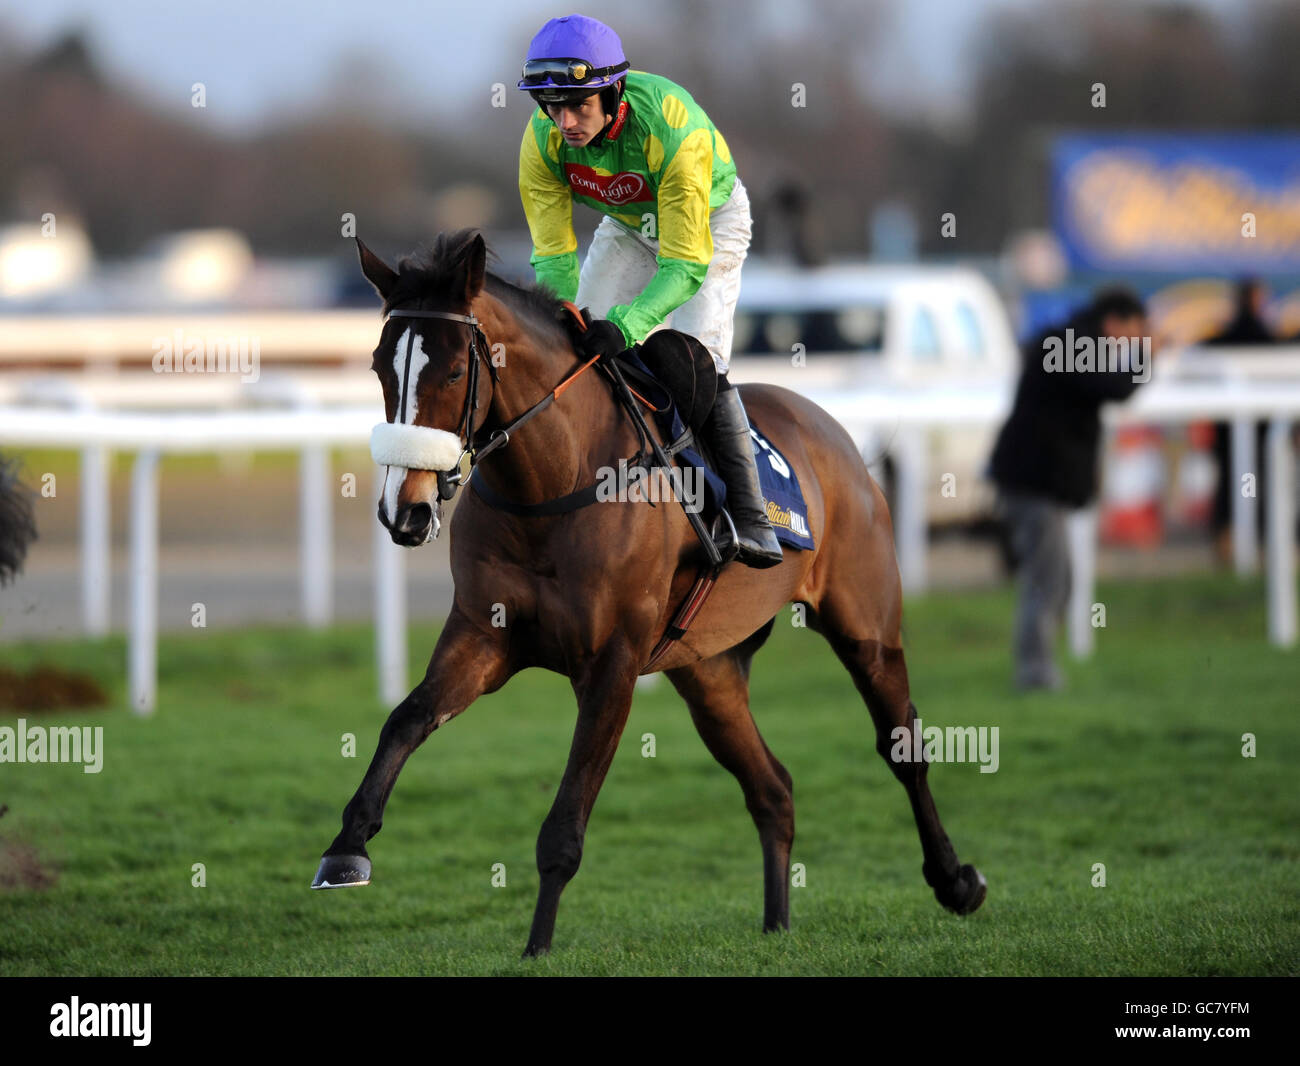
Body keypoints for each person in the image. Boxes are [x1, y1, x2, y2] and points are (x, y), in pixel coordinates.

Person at [515, 13, 782, 568]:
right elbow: (554, 255)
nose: (564, 122)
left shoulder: (670, 126)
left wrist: (630, 326)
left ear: (613, 91)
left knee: (692, 361)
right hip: (629, 226)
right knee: (574, 339)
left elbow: (684, 265)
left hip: (708, 224)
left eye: (577, 106)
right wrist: (567, 312)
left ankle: (753, 517)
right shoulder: (541, 141)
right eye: (551, 106)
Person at [988, 288, 1150, 691]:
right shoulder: (1074, 345)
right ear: (1114, 322)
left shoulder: (1069, 341)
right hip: (1032, 484)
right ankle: (1035, 674)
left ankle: (1037, 669)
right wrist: (1149, 357)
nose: (1133, 340)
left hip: (1036, 483)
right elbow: (1116, 388)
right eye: (1134, 332)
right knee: (1050, 579)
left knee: (1058, 579)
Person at [1205, 278, 1276, 563]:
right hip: (1259, 427)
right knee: (1259, 487)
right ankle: (1257, 551)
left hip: (1226, 428)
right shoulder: (1260, 334)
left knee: (1228, 489)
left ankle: (1228, 548)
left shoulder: (1227, 335)